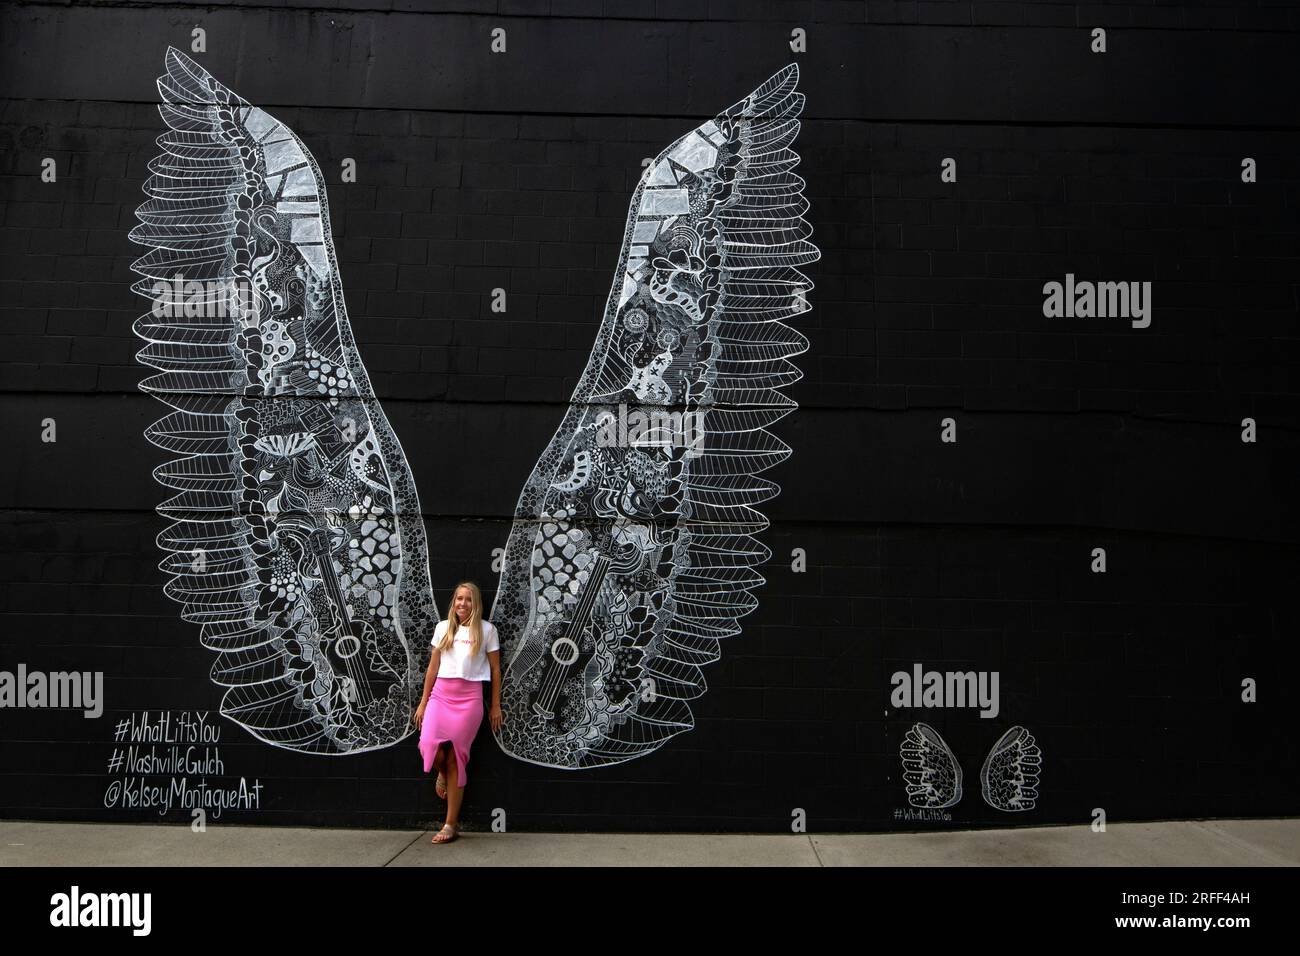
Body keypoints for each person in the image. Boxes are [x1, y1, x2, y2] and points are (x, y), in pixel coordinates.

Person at [413, 581, 502, 844]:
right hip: (440, 696)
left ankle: (450, 824)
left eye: (468, 600)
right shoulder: (443, 627)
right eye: (459, 599)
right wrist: (423, 702)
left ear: (476, 603)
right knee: (428, 745)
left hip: (469, 699)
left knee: (457, 760)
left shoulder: (487, 630)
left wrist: (495, 705)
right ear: (454, 602)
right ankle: (441, 772)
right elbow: (432, 668)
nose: (462, 604)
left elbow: (496, 671)